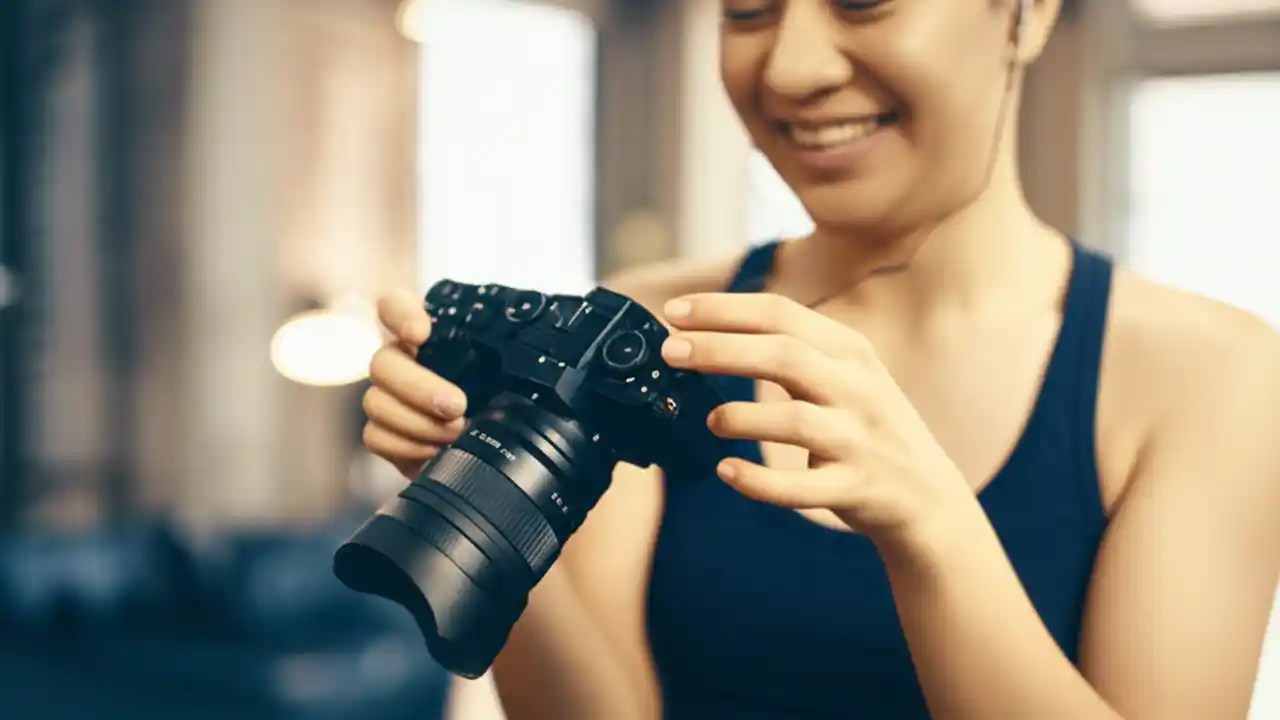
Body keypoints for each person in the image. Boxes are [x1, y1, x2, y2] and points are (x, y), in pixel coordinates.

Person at [362, 0, 1280, 717]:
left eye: (864, 1)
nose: (791, 68)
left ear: (1028, 13)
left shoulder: (1211, 378)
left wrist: (932, 532)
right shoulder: (651, 321)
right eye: (747, 11)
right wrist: (496, 509)